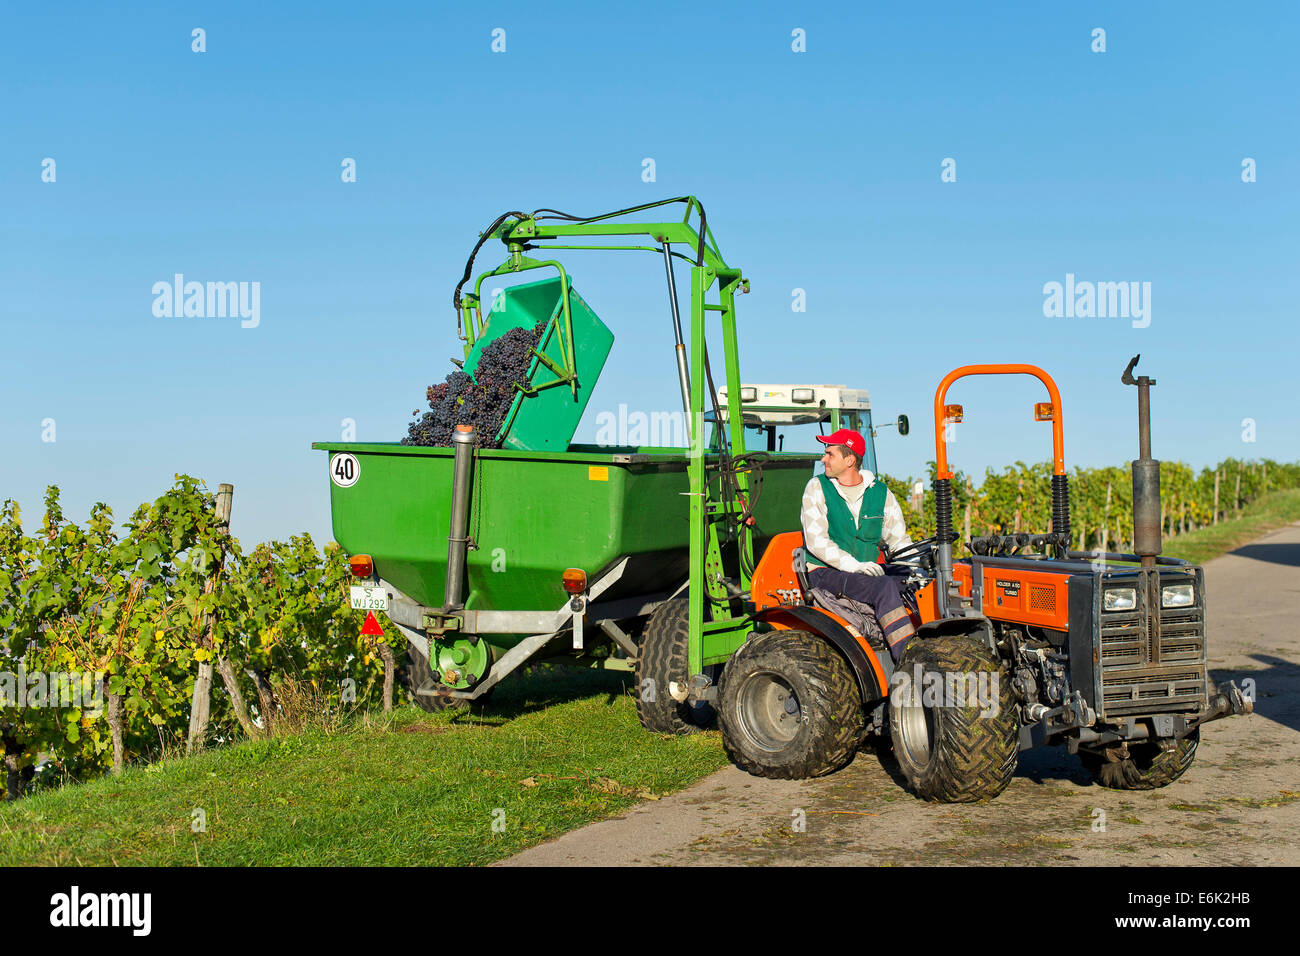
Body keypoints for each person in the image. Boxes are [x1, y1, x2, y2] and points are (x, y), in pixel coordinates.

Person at [800, 428, 916, 662]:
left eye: (830, 454)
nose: (823, 459)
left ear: (850, 460)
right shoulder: (816, 487)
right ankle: (909, 663)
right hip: (825, 572)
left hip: (864, 574)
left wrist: (915, 568)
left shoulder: (881, 493)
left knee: (912, 582)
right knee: (883, 587)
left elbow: (899, 540)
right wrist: (853, 565)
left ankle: (933, 649)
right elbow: (816, 541)